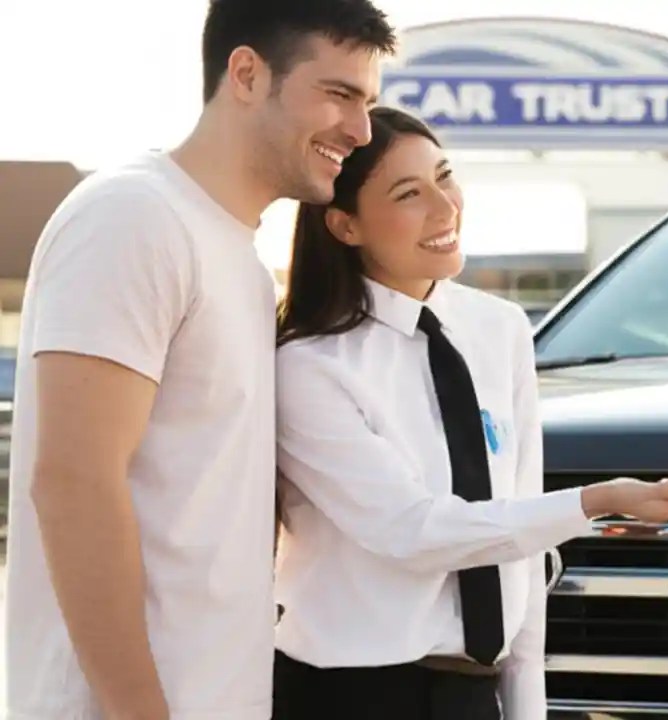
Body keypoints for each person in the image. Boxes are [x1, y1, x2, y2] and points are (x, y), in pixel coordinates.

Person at [2, 1, 396, 718]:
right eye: (339, 94)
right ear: (246, 73)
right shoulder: (134, 217)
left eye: (367, 103)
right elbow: (72, 483)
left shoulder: (240, 264)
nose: (360, 130)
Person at [270, 105, 668, 719]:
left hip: (472, 694)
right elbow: (412, 532)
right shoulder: (311, 364)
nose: (445, 210)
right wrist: (594, 501)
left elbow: (518, 545)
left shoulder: (498, 329)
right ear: (344, 226)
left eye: (445, 177)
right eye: (409, 193)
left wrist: (525, 708)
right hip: (349, 694)